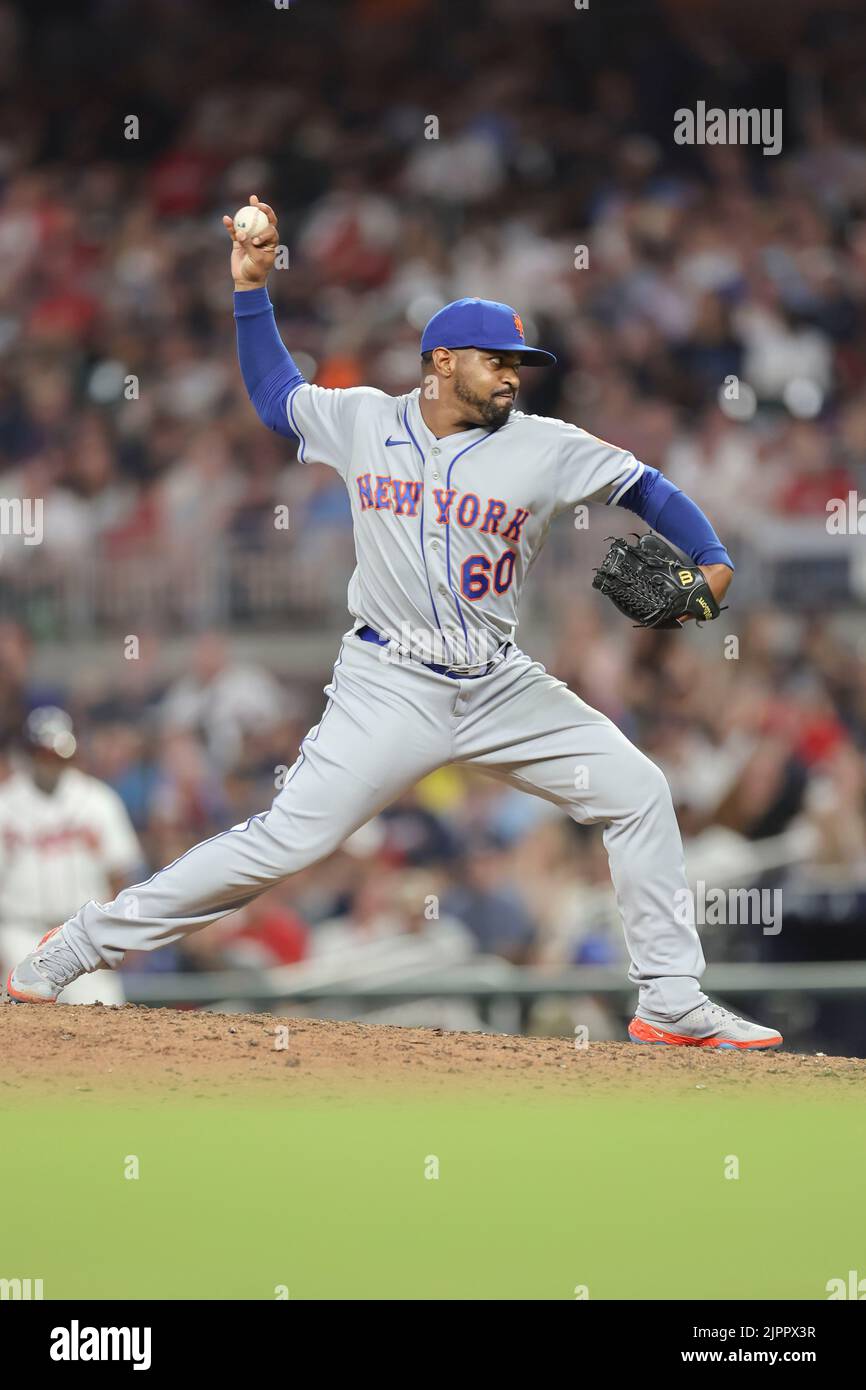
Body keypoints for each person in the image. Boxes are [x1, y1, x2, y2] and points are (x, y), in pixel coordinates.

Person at [7, 196, 781, 1049]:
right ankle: (73, 948)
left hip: (497, 682)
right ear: (442, 361)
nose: (515, 375)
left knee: (638, 791)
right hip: (388, 684)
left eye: (521, 362)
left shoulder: (544, 443)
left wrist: (711, 561)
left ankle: (670, 999)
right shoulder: (365, 419)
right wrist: (252, 290)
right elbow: (275, 395)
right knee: (283, 844)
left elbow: (647, 487)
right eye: (499, 360)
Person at [0, 707, 143, 1004]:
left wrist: (120, 930)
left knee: (104, 1017)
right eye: (43, 754)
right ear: (28, 753)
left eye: (58, 755)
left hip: (83, 931)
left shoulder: (97, 799)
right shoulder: (5, 804)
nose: (51, 762)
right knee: (23, 1028)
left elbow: (120, 872)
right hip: (19, 932)